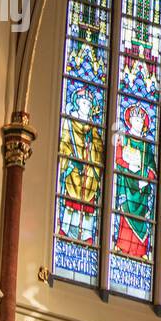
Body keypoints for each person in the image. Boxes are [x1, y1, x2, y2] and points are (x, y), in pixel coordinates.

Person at [58, 86, 103, 244]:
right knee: (71, 203)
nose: (87, 107)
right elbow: (64, 143)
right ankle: (65, 231)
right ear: (77, 103)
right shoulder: (69, 123)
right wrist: (70, 160)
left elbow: (99, 150)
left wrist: (92, 157)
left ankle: (86, 236)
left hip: (89, 172)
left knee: (88, 204)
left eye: (89, 105)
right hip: (73, 169)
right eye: (85, 103)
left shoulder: (93, 129)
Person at [114, 104, 155, 259]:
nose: (138, 122)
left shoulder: (148, 145)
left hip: (141, 188)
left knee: (141, 219)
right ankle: (121, 246)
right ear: (130, 121)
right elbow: (117, 158)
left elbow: (152, 167)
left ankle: (141, 252)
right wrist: (128, 165)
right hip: (126, 184)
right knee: (125, 215)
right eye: (135, 119)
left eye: (140, 120)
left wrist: (147, 180)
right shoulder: (124, 139)